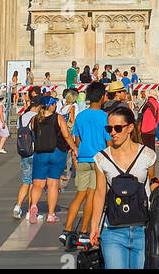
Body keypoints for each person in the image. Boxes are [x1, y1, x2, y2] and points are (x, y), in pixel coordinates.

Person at [89, 102, 157, 269]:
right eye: (109, 129)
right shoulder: (101, 158)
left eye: (118, 128)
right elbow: (99, 193)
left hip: (142, 229)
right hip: (112, 230)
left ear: (130, 128)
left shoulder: (148, 155)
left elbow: (153, 184)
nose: (113, 133)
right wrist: (94, 226)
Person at [63, 82, 107, 245]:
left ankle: (67, 229)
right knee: (91, 196)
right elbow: (109, 142)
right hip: (98, 161)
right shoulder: (105, 117)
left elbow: (77, 139)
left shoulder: (81, 116)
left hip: (82, 159)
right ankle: (83, 231)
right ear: (102, 97)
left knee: (79, 194)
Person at [28, 97, 74, 225]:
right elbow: (66, 135)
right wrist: (74, 148)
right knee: (53, 184)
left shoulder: (34, 119)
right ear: (51, 106)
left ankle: (33, 207)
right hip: (57, 153)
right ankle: (51, 214)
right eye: (54, 103)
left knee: (37, 184)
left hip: (40, 153)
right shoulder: (58, 118)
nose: (55, 105)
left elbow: (35, 133)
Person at [12, 90, 41, 219]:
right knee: (34, 183)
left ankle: (17, 207)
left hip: (23, 151)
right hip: (34, 151)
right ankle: (30, 211)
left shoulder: (22, 117)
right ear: (38, 106)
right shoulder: (36, 117)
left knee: (25, 181)